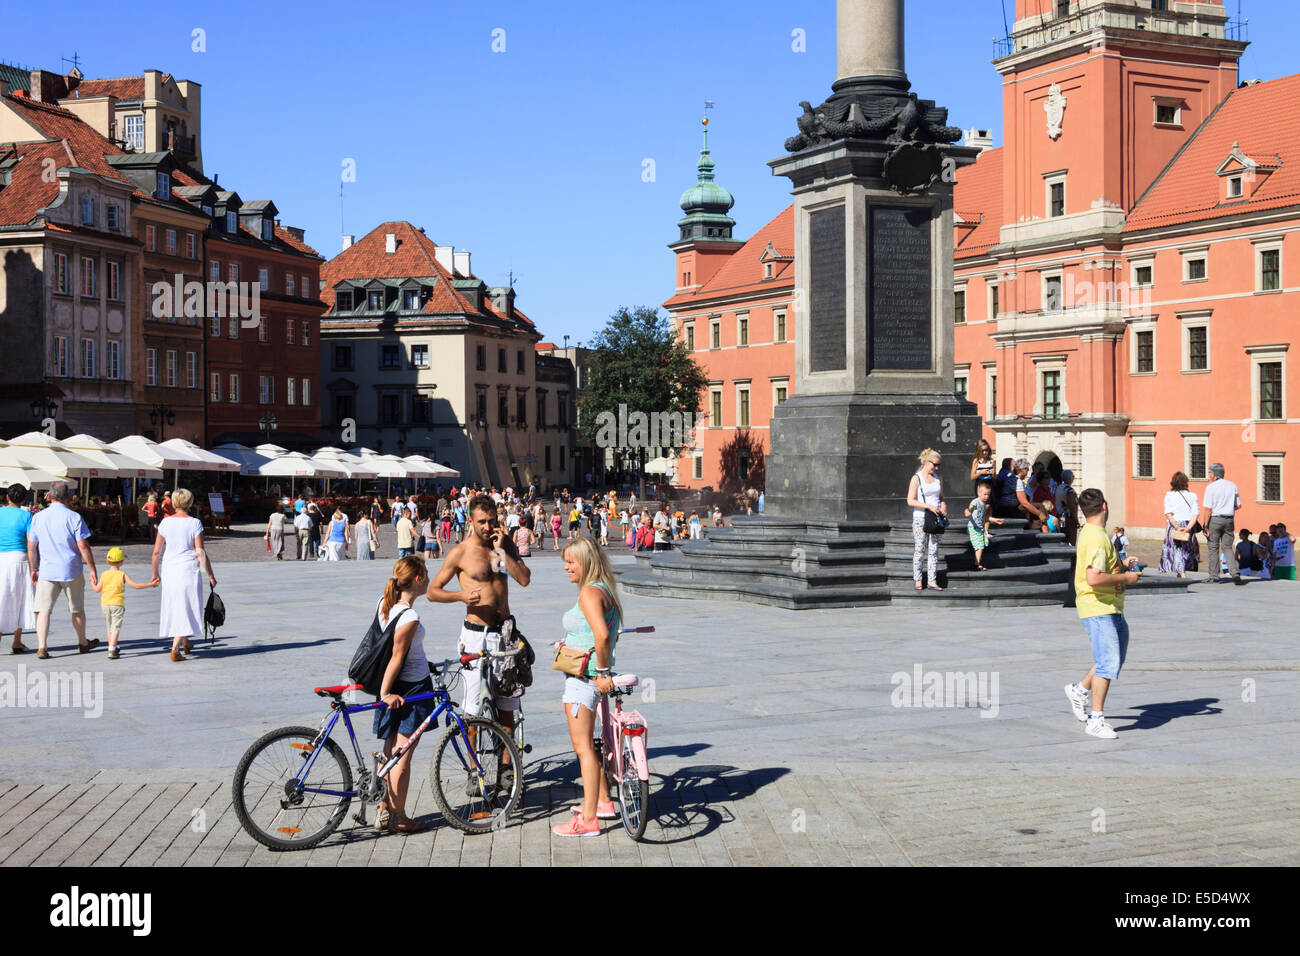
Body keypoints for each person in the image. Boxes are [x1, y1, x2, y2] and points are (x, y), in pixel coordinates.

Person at [425, 495, 531, 746]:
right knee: (472, 707)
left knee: (507, 703)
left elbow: (524, 579)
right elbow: (433, 591)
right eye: (482, 521)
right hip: (476, 634)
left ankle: (507, 767)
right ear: (471, 521)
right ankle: (476, 771)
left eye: (492, 520)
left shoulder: (503, 545)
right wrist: (460, 595)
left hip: (504, 633)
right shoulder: (461, 552)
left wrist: (504, 551)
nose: (487, 527)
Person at [553, 537, 623, 837]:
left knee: (583, 750)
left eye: (571, 562)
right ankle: (604, 801)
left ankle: (589, 819)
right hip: (590, 676)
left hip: (584, 679)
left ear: (586, 562)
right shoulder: (604, 589)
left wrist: (602, 671)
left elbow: (602, 636)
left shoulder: (589, 593)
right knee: (590, 748)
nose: (566, 567)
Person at [1063, 488, 1141, 740]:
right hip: (1098, 607)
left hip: (1110, 606)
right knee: (1108, 661)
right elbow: (1093, 578)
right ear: (1104, 506)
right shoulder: (1096, 537)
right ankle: (1095, 720)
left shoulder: (1095, 534)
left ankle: (1079, 691)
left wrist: (1122, 564)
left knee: (1110, 657)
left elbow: (1101, 567)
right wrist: (1126, 577)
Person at [372, 555, 433, 834]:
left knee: (389, 750)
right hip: (410, 689)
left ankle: (383, 811)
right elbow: (397, 656)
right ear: (418, 579)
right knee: (402, 757)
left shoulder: (384, 605)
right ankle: (399, 817)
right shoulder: (409, 616)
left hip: (396, 683)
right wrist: (385, 693)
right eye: (427, 573)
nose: (429, 577)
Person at [27, 480, 99, 659]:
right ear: (67, 497)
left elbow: (31, 545)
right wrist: (92, 569)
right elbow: (83, 545)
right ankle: (82, 642)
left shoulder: (38, 517)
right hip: (70, 569)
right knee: (77, 609)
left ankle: (42, 647)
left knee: (43, 610)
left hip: (47, 570)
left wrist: (34, 568)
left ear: (49, 496)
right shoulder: (73, 517)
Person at [150, 488, 216, 662]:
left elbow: (156, 552)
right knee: (186, 605)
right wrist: (210, 574)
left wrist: (154, 573)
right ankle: (175, 649)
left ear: (173, 502)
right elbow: (200, 552)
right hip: (187, 569)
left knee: (177, 604)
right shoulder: (194, 523)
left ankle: (186, 642)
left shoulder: (165, 523)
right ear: (190, 503)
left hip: (170, 569)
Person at [89, 546, 156, 659]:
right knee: (116, 627)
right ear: (121, 562)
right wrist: (151, 584)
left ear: (107, 561)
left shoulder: (104, 574)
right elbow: (135, 586)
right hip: (117, 604)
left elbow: (96, 589)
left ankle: (112, 646)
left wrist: (91, 581)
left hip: (105, 604)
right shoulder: (122, 574)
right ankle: (112, 650)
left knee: (109, 627)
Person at [0, 484, 35, 653]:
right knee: (19, 599)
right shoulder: (26, 516)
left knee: (1, 597)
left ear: (7, 497)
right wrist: (34, 566)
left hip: (1, 558)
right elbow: (31, 543)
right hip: (19, 559)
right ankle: (17, 641)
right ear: (24, 500)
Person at [906, 448, 947, 591]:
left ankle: (932, 581)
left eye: (938, 465)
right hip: (921, 518)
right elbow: (910, 500)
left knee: (934, 550)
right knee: (920, 549)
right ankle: (918, 579)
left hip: (936, 518)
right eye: (934, 464)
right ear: (925, 462)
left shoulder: (937, 478)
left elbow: (941, 497)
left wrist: (943, 506)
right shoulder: (916, 478)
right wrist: (928, 506)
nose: (936, 468)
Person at [1198, 463, 1244, 585]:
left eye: (1209, 473)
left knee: (1213, 547)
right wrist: (1227, 508)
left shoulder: (1211, 487)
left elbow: (1208, 508)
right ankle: (1234, 573)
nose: (1208, 475)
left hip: (1215, 519)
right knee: (1227, 547)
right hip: (1229, 519)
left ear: (1214, 474)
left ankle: (1214, 576)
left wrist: (1205, 525)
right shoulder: (1232, 485)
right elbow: (1238, 505)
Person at [1160, 472, 1200, 578]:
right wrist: (1188, 528)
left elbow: (1168, 513)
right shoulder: (1192, 495)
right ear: (1186, 482)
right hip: (1188, 524)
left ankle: (1181, 573)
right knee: (1185, 550)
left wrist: (1177, 527)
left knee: (1176, 549)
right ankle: (1180, 572)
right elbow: (1195, 514)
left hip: (1174, 524)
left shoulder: (1169, 495)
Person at [964, 478, 1003, 571]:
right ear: (979, 493)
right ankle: (976, 564)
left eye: (988, 495)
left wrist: (994, 519)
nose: (986, 496)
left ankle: (977, 564)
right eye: (985, 494)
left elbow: (984, 517)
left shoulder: (983, 504)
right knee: (979, 546)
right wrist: (968, 511)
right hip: (973, 527)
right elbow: (970, 508)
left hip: (980, 528)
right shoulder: (976, 501)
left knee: (980, 546)